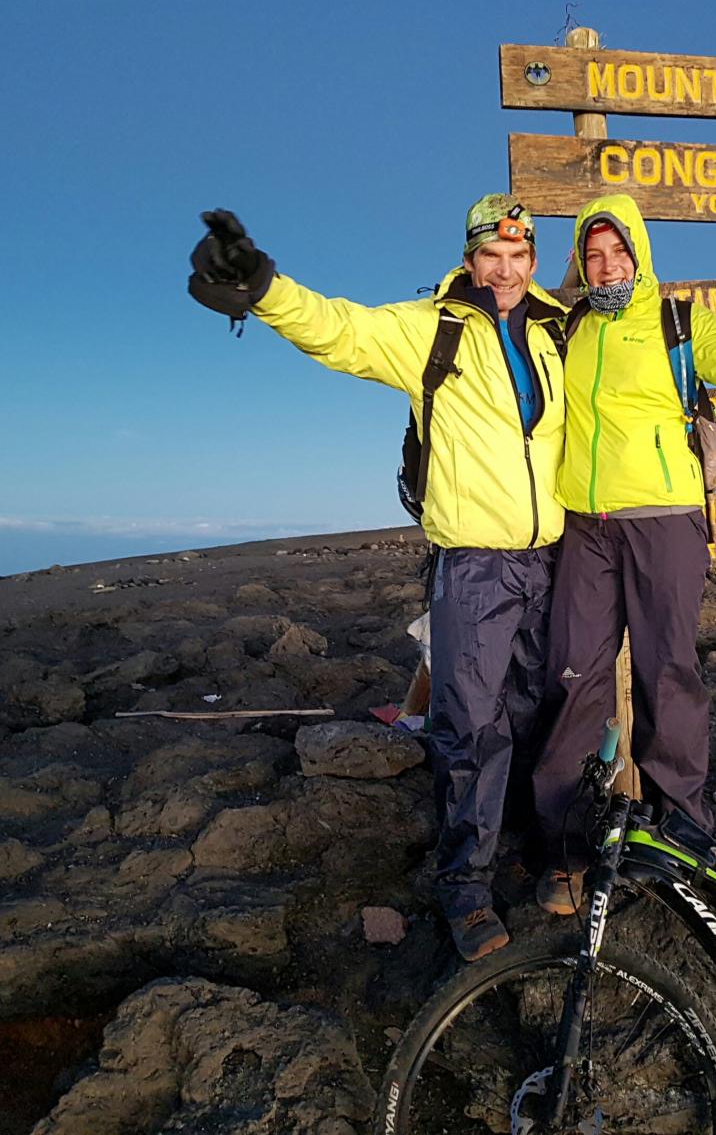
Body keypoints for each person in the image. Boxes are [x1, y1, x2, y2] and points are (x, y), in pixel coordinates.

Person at [186, 196, 567, 961]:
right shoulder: (433, 327)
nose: (503, 269)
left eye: (517, 255)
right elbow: (340, 329)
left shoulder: (563, 329)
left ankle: (531, 848)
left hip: (552, 560)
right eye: (490, 255)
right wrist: (263, 286)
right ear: (470, 258)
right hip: (475, 565)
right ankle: (465, 888)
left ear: (532, 259)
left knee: (540, 716)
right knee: (470, 728)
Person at [532, 193, 716, 915]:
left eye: (618, 251)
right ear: (580, 262)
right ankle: (566, 850)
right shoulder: (571, 325)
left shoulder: (677, 320)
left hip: (666, 523)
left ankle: (681, 828)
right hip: (586, 525)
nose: (607, 263)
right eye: (594, 253)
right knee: (573, 674)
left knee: (667, 673)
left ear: (640, 252)